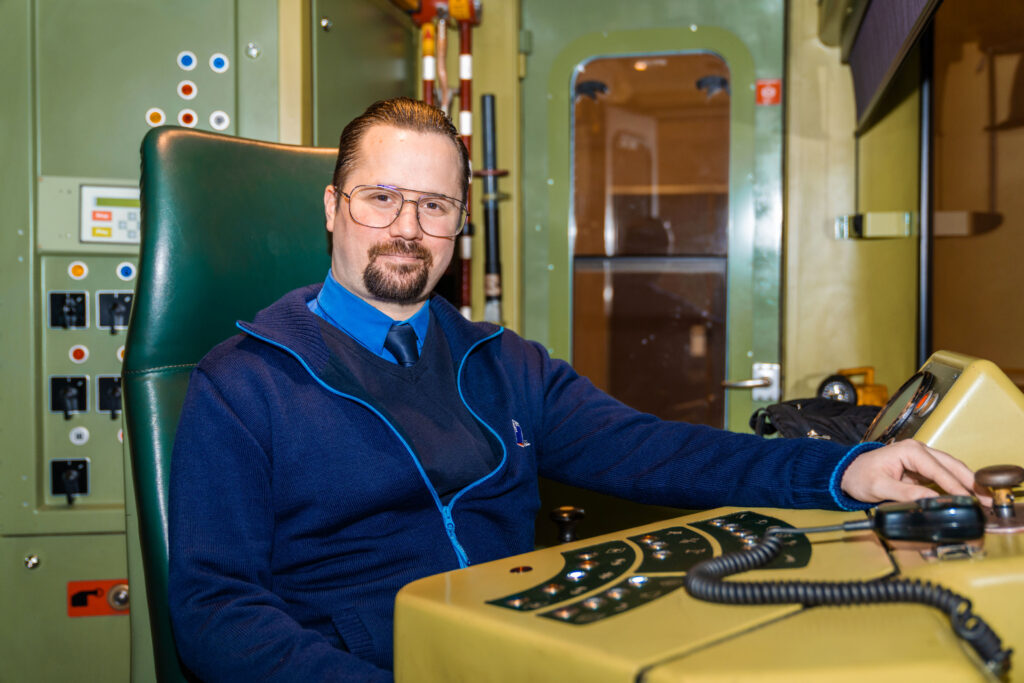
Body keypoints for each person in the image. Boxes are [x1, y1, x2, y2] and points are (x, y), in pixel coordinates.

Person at [168, 97, 983, 682]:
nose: (407, 227)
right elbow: (216, 614)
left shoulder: (502, 363)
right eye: (381, 197)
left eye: (435, 205)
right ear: (333, 207)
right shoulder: (243, 383)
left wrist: (840, 473)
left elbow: (650, 447)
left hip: (519, 653)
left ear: (459, 222)